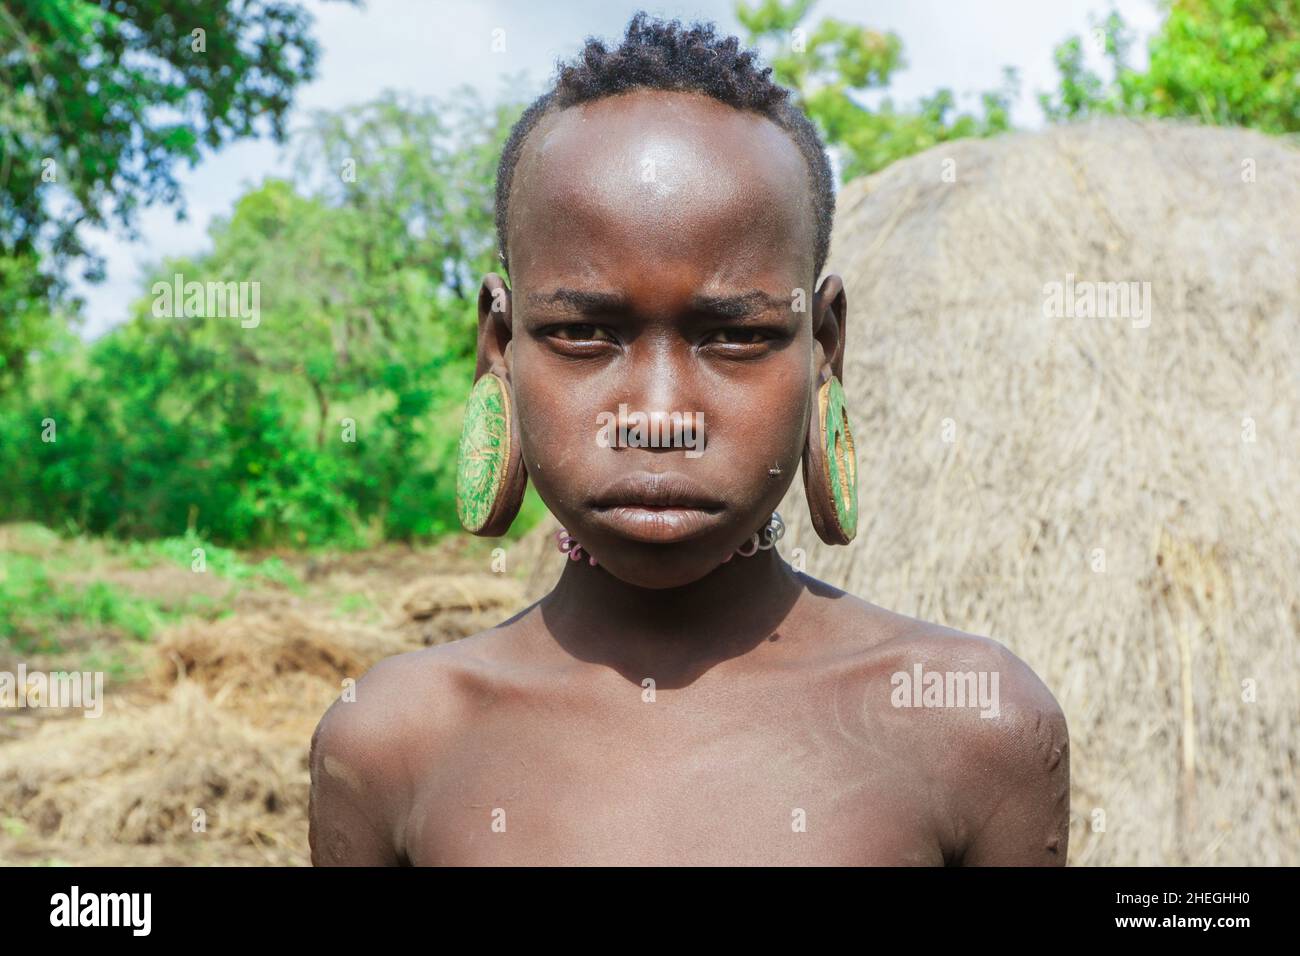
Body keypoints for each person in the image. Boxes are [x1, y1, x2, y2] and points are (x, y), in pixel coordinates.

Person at [308, 12, 1069, 866]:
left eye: (735, 337)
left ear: (824, 348)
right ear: (500, 347)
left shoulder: (973, 726)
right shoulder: (392, 742)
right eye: (583, 334)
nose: (660, 414)